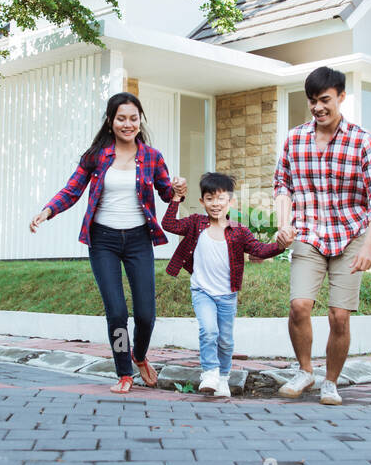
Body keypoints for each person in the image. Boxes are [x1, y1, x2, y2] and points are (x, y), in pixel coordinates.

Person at [29, 92, 183, 394]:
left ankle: (139, 355)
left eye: (133, 118)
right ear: (111, 122)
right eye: (121, 118)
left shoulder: (152, 156)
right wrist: (48, 211)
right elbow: (72, 189)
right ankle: (124, 371)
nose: (128, 124)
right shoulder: (97, 155)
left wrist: (178, 189)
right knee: (116, 312)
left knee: (145, 315)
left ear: (140, 121)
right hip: (103, 240)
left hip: (139, 240)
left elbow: (167, 193)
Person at [272, 66, 371, 404]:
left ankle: (330, 381)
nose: (318, 108)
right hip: (309, 233)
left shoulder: (364, 142)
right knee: (299, 306)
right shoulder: (295, 138)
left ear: (341, 97)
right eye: (312, 101)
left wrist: (369, 245)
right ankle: (305, 371)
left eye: (325, 100)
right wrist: (284, 221)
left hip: (350, 235)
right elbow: (283, 185)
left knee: (339, 315)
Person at [162, 172, 286, 398]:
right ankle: (209, 372)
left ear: (231, 202)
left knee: (226, 340)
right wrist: (176, 198)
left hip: (228, 295)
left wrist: (280, 245)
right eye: (209, 198)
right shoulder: (195, 223)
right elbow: (169, 224)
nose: (215, 204)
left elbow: (259, 250)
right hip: (202, 291)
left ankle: (223, 378)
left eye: (220, 198)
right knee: (208, 331)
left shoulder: (239, 232)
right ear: (202, 202)